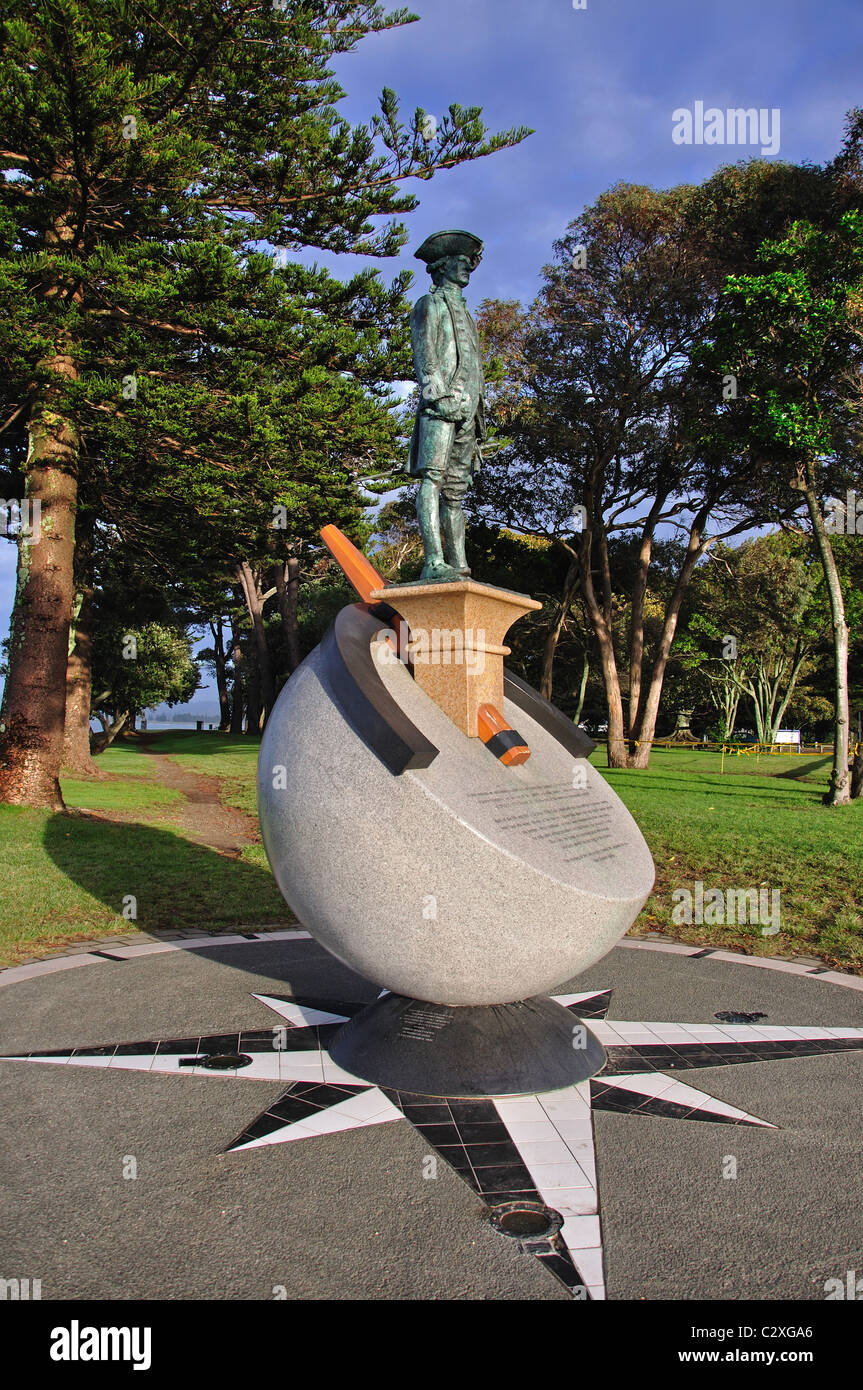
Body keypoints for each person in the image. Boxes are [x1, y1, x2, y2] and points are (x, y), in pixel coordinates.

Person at [408, 229, 486, 582]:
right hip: (441, 408)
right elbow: (427, 361)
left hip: (470, 412)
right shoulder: (430, 305)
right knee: (433, 479)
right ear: (441, 266)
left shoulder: (467, 314)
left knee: (456, 491)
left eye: (470, 262)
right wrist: (439, 398)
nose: (467, 266)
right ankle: (433, 561)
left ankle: (460, 565)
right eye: (460, 261)